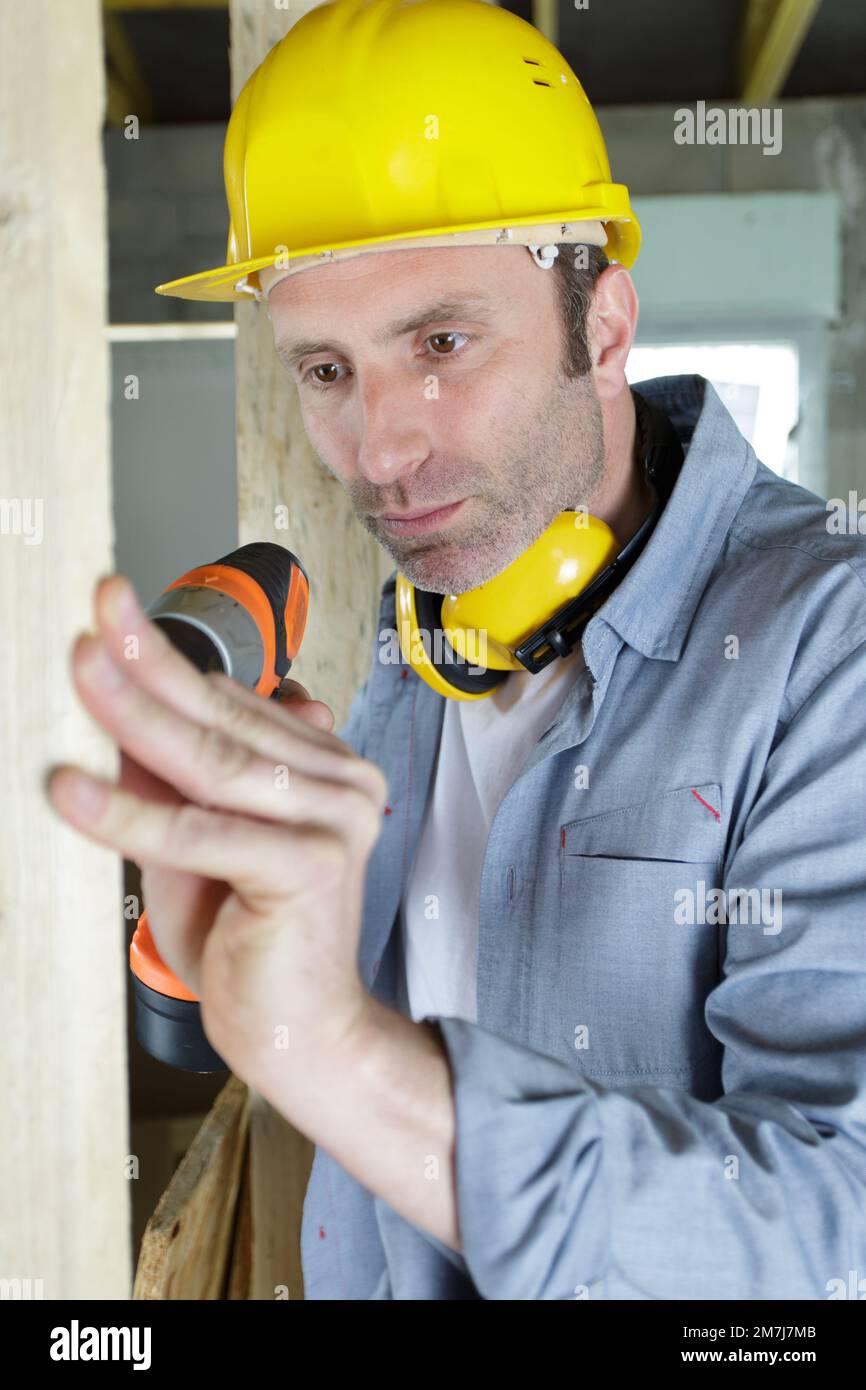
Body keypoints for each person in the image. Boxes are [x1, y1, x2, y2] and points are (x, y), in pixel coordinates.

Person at [52, 0, 866, 1300]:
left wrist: (338, 1049)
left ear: (603, 324)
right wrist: (225, 956)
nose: (382, 451)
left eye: (441, 342)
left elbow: (834, 1234)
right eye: (326, 369)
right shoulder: (417, 638)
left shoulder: (827, 644)